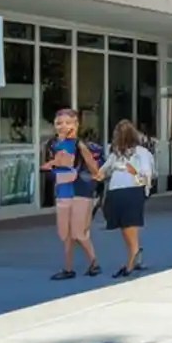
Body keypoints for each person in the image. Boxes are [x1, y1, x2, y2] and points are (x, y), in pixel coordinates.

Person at [41, 109, 101, 280]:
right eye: (59, 123)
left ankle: (94, 263)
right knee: (65, 234)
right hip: (62, 192)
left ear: (76, 125)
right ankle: (68, 268)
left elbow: (94, 168)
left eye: (68, 122)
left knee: (78, 233)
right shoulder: (52, 144)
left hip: (79, 191)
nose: (63, 126)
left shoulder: (80, 145)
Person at [99, 120, 155, 277]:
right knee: (126, 227)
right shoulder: (116, 154)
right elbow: (103, 171)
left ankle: (131, 261)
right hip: (122, 192)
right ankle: (135, 254)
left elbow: (144, 173)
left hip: (128, 191)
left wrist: (140, 186)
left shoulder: (140, 153)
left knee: (129, 226)